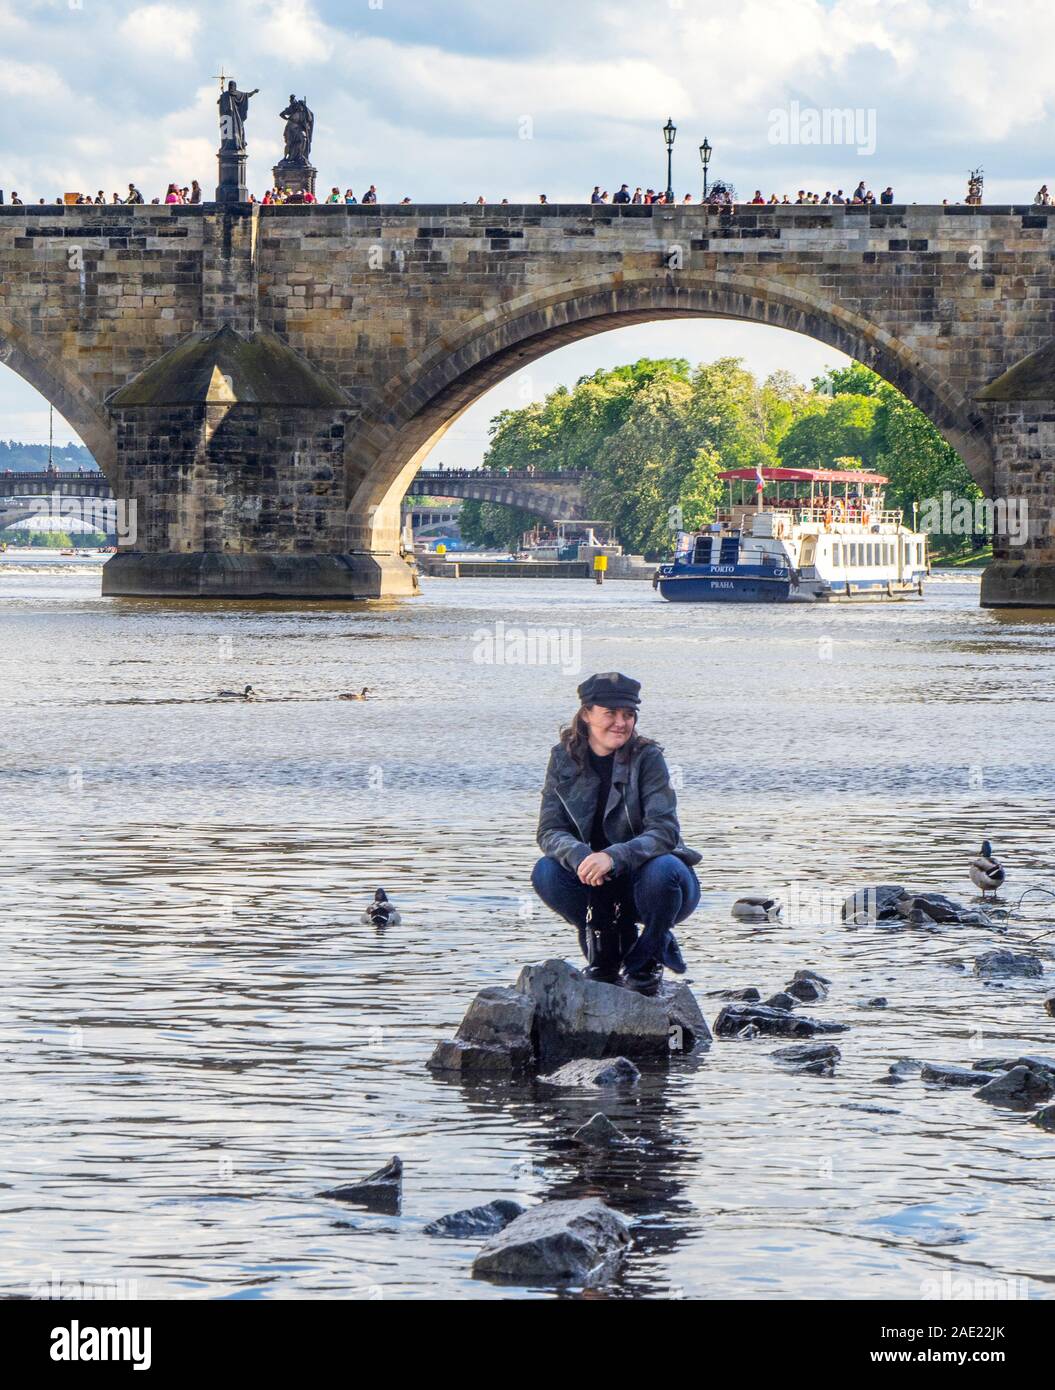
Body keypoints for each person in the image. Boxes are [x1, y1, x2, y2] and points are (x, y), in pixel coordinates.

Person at [531, 672, 702, 994]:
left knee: (664, 869)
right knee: (546, 870)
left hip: (654, 884)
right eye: (610, 713)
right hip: (595, 888)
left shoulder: (648, 758)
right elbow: (549, 830)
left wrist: (613, 856)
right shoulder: (562, 758)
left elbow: (664, 831)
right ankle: (603, 941)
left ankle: (652, 946)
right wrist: (584, 858)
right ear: (586, 714)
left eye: (628, 714)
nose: (621, 723)